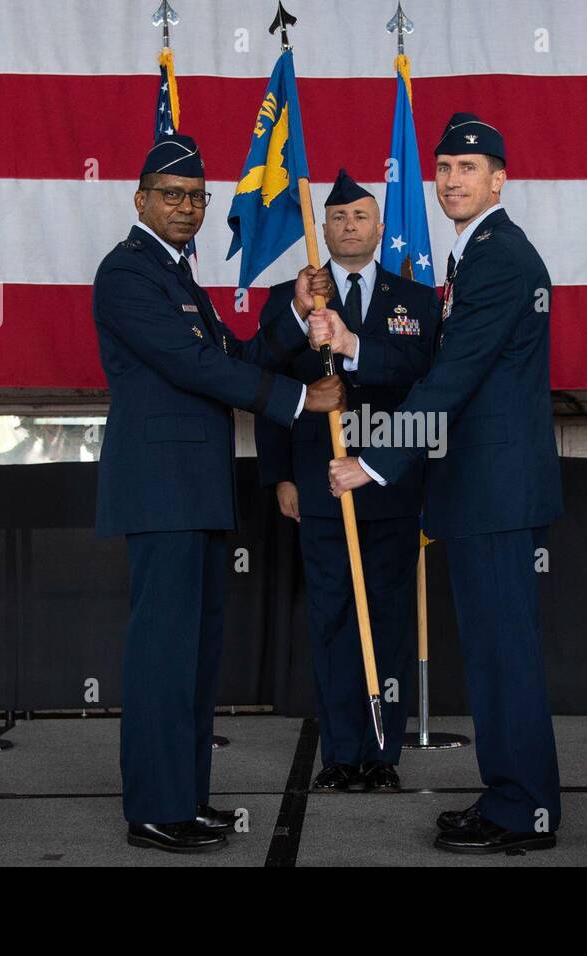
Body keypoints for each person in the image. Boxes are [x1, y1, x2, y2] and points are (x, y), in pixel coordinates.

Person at [92, 135, 344, 852]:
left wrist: (294, 314)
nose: (186, 207)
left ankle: (184, 799)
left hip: (195, 493)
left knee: (195, 661)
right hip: (160, 494)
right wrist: (301, 400)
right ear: (140, 200)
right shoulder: (127, 273)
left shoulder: (178, 279)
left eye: (198, 196)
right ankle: (152, 809)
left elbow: (233, 353)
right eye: (171, 194)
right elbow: (194, 364)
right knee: (161, 658)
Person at [327, 114, 564, 853]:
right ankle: (510, 795)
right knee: (495, 655)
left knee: (504, 656)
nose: (453, 179)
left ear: (500, 179)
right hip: (478, 488)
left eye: (469, 167)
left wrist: (372, 462)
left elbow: (451, 379)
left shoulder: (497, 257)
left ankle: (524, 808)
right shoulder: (475, 256)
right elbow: (439, 361)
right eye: (445, 167)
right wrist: (353, 343)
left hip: (493, 490)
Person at [256, 171, 438, 793]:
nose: (350, 226)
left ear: (380, 227)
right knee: (332, 619)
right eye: (338, 218)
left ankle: (382, 754)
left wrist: (354, 347)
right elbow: (267, 383)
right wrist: (279, 473)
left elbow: (424, 379)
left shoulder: (415, 301)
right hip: (319, 486)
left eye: (361, 216)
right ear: (323, 229)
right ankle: (340, 753)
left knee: (386, 618)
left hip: (390, 486)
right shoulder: (294, 296)